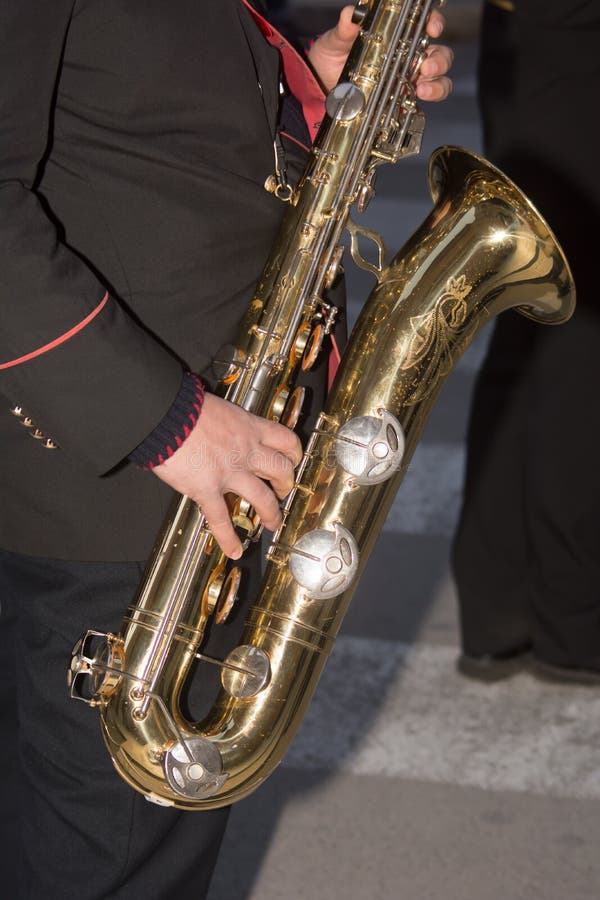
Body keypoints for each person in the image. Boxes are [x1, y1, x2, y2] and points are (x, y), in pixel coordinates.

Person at [0, 2, 453, 898]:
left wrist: (309, 89)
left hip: (181, 455)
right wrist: (163, 420)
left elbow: (123, 97)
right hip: (128, 488)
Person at [452, 0, 600, 683]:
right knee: (578, 330)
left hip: (538, 30)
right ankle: (572, 619)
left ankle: (499, 605)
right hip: (570, 30)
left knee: (538, 309)